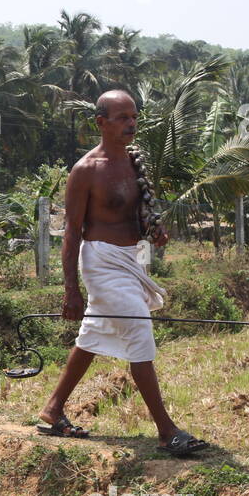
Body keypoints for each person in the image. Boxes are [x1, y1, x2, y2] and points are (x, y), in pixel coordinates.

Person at [38, 90, 210, 456]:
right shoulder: (86, 170)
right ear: (101, 123)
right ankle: (166, 431)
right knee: (138, 329)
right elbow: (71, 233)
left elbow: (138, 215)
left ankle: (52, 411)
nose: (130, 123)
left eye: (133, 117)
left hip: (131, 260)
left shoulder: (135, 163)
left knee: (94, 333)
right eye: (121, 117)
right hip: (101, 262)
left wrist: (155, 232)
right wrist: (71, 289)